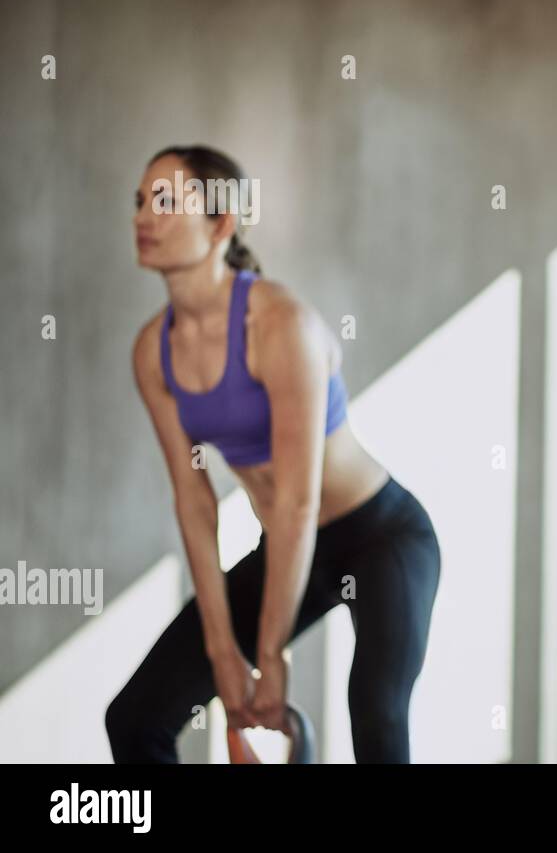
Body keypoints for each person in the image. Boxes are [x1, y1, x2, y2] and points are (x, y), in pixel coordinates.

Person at [106, 146, 440, 763]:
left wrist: (268, 656)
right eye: (138, 201)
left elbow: (295, 499)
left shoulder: (281, 323)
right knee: (135, 719)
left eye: (165, 202)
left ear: (221, 224)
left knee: (377, 715)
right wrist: (220, 654)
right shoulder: (153, 351)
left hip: (383, 537)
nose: (142, 217)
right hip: (289, 543)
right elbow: (194, 499)